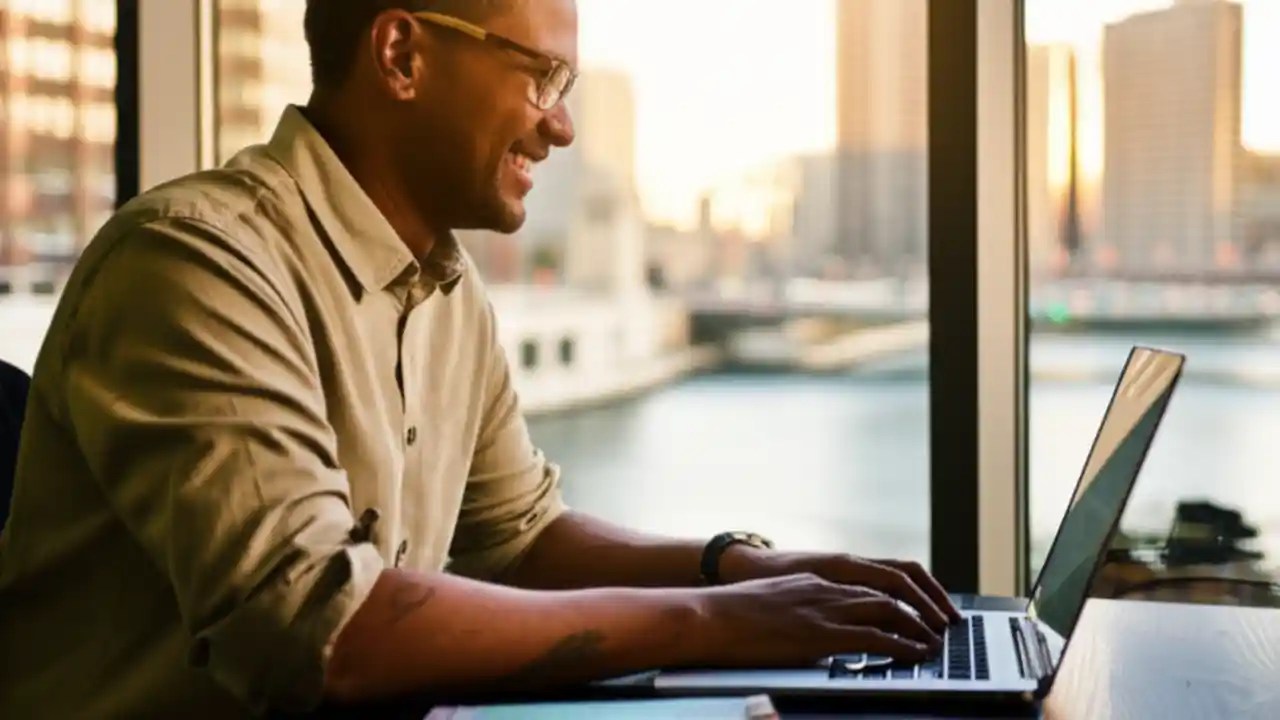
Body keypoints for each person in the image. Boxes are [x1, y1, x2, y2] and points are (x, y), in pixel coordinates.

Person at [0, 0, 961, 716]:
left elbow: (522, 537)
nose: (561, 124)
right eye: (540, 76)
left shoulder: (446, 290)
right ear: (402, 53)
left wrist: (745, 569)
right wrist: (723, 623)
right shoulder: (194, 263)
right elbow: (321, 632)